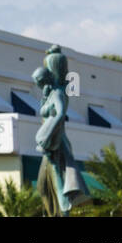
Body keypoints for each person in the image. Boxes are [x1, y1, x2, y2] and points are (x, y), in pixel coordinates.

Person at [34, 46, 90, 216]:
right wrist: (44, 96)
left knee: (56, 181)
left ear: (50, 73)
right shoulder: (51, 93)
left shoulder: (58, 93)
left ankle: (62, 212)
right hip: (51, 143)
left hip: (55, 143)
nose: (37, 83)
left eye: (39, 80)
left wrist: (46, 135)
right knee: (44, 185)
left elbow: (59, 115)